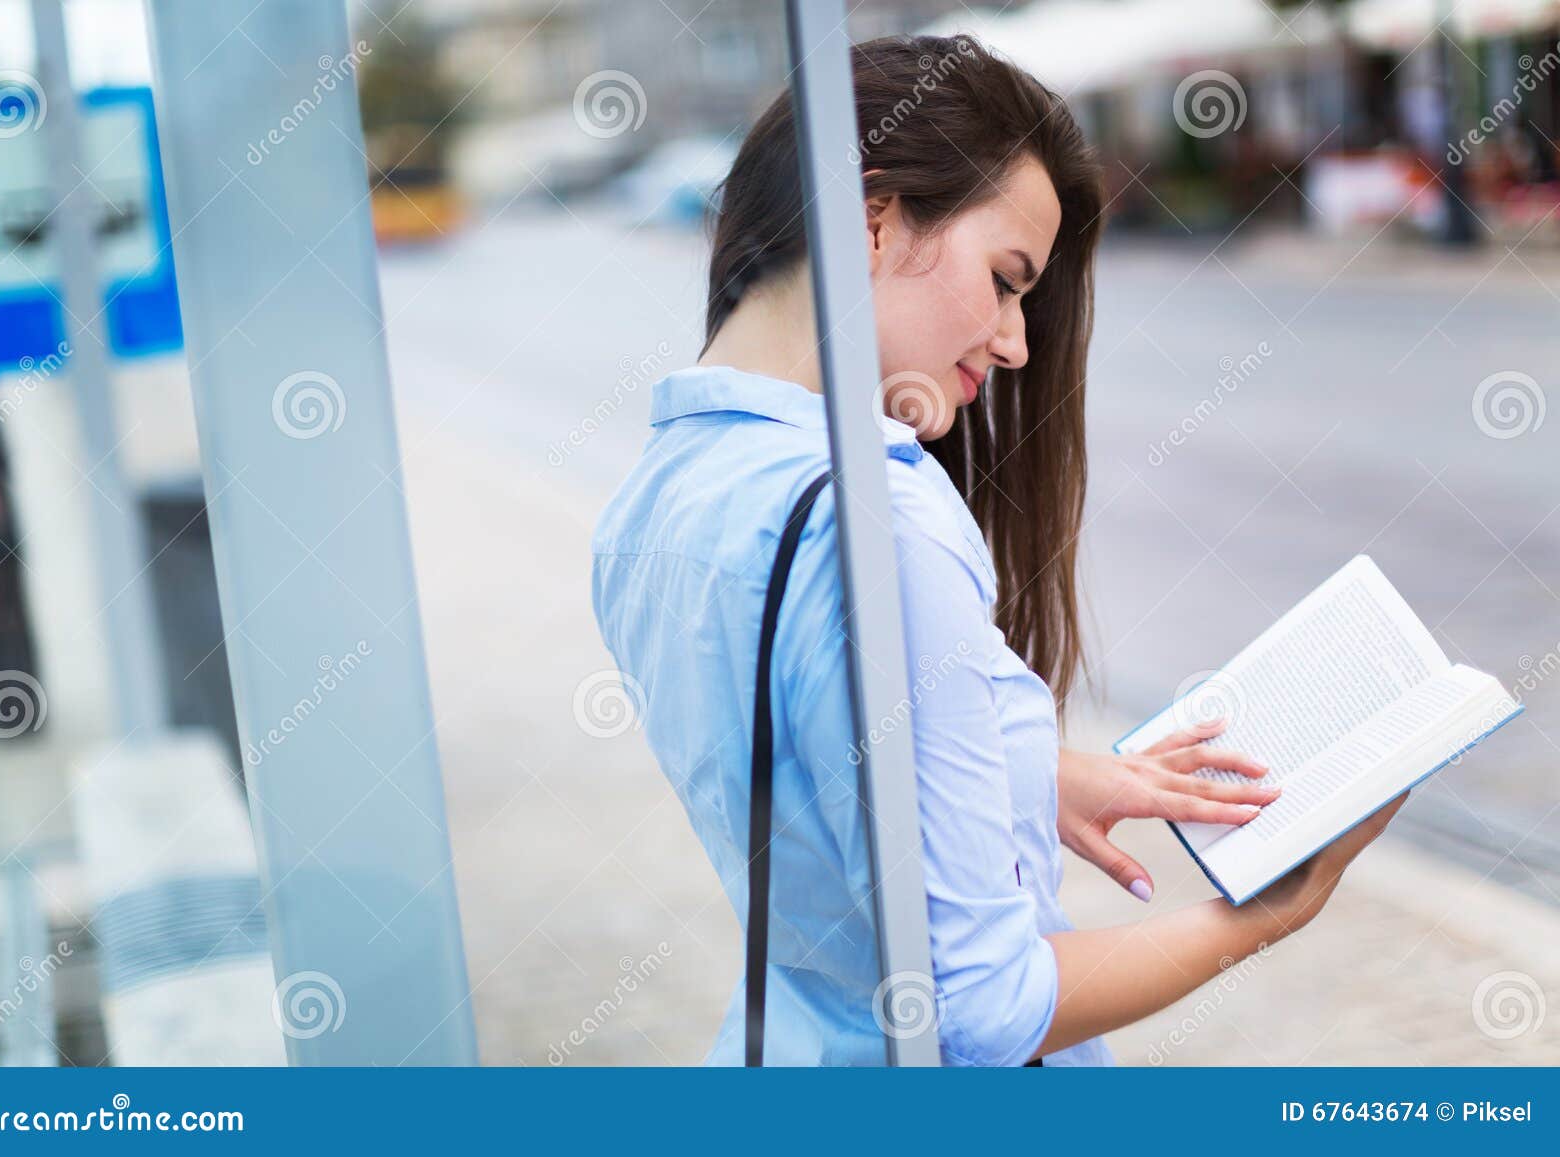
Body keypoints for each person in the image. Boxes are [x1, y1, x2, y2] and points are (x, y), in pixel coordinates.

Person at [589, 33, 1407, 1066]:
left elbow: (804, 769)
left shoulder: (649, 502)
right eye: (1006, 278)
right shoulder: (881, 520)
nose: (1018, 342)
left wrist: (1023, 769)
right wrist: (1267, 912)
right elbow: (980, 1008)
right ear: (871, 219)